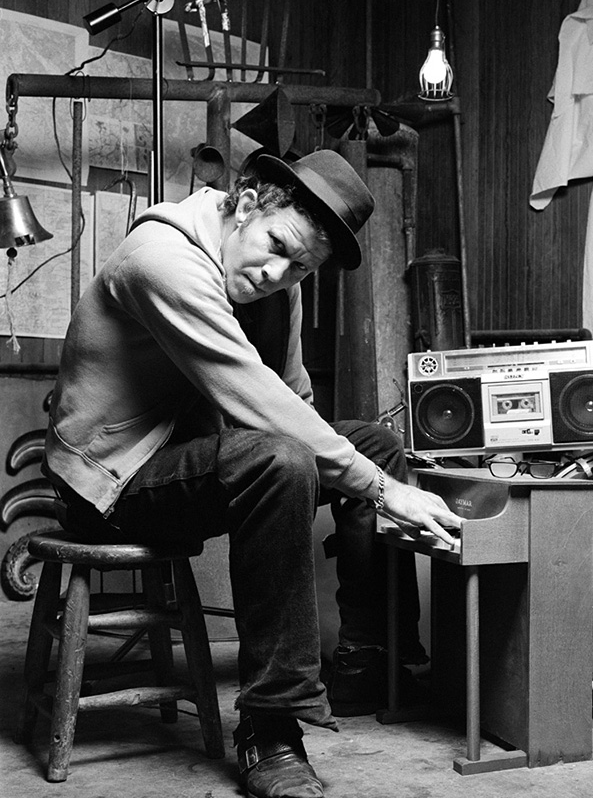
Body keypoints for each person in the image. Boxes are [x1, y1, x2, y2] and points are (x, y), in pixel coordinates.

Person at [41, 149, 463, 798]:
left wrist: (365, 475)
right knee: (285, 459)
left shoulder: (278, 285)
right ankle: (270, 730)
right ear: (245, 203)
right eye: (276, 246)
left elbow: (294, 405)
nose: (276, 273)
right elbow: (256, 404)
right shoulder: (163, 258)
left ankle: (370, 663)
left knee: (371, 444)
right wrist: (382, 493)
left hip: (196, 453)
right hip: (110, 477)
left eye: (300, 267)